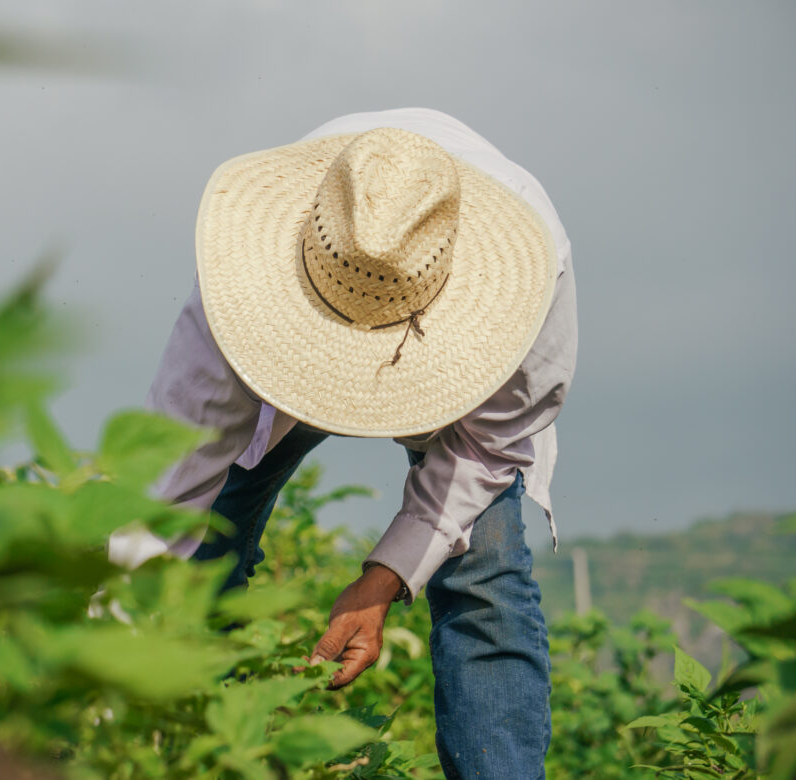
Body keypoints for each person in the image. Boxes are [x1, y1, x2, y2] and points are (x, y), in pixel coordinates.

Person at [110, 108, 577, 779]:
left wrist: (381, 582)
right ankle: (200, 747)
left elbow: (484, 453)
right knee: (206, 539)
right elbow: (162, 492)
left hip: (462, 389)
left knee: (485, 577)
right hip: (279, 354)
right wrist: (99, 673)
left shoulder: (533, 286)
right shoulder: (238, 288)